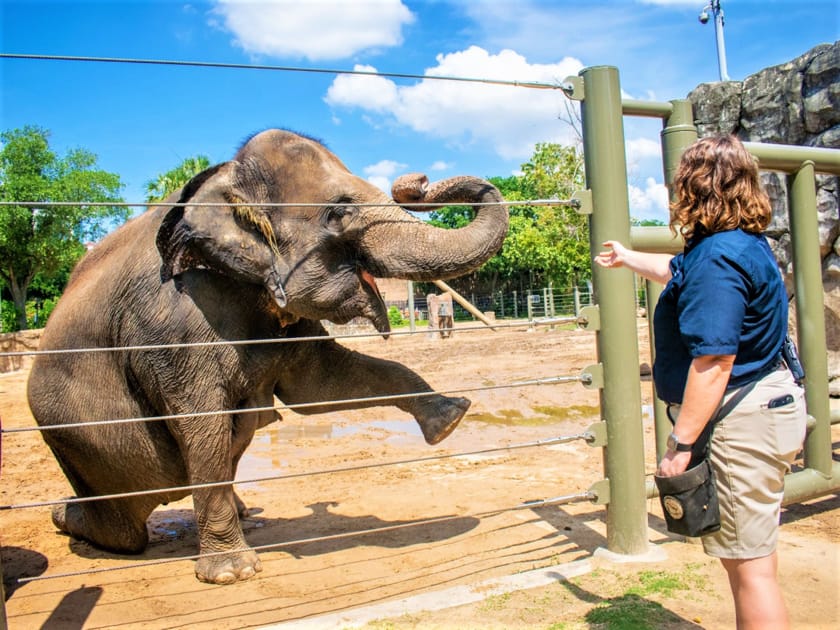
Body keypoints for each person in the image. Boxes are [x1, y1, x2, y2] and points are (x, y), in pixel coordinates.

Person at [594, 135, 806, 630]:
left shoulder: (716, 258)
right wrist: (628, 257)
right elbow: (678, 271)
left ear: (694, 187)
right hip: (767, 409)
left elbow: (713, 361)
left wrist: (680, 444)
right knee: (754, 555)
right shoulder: (743, 246)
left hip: (741, 423)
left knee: (751, 571)